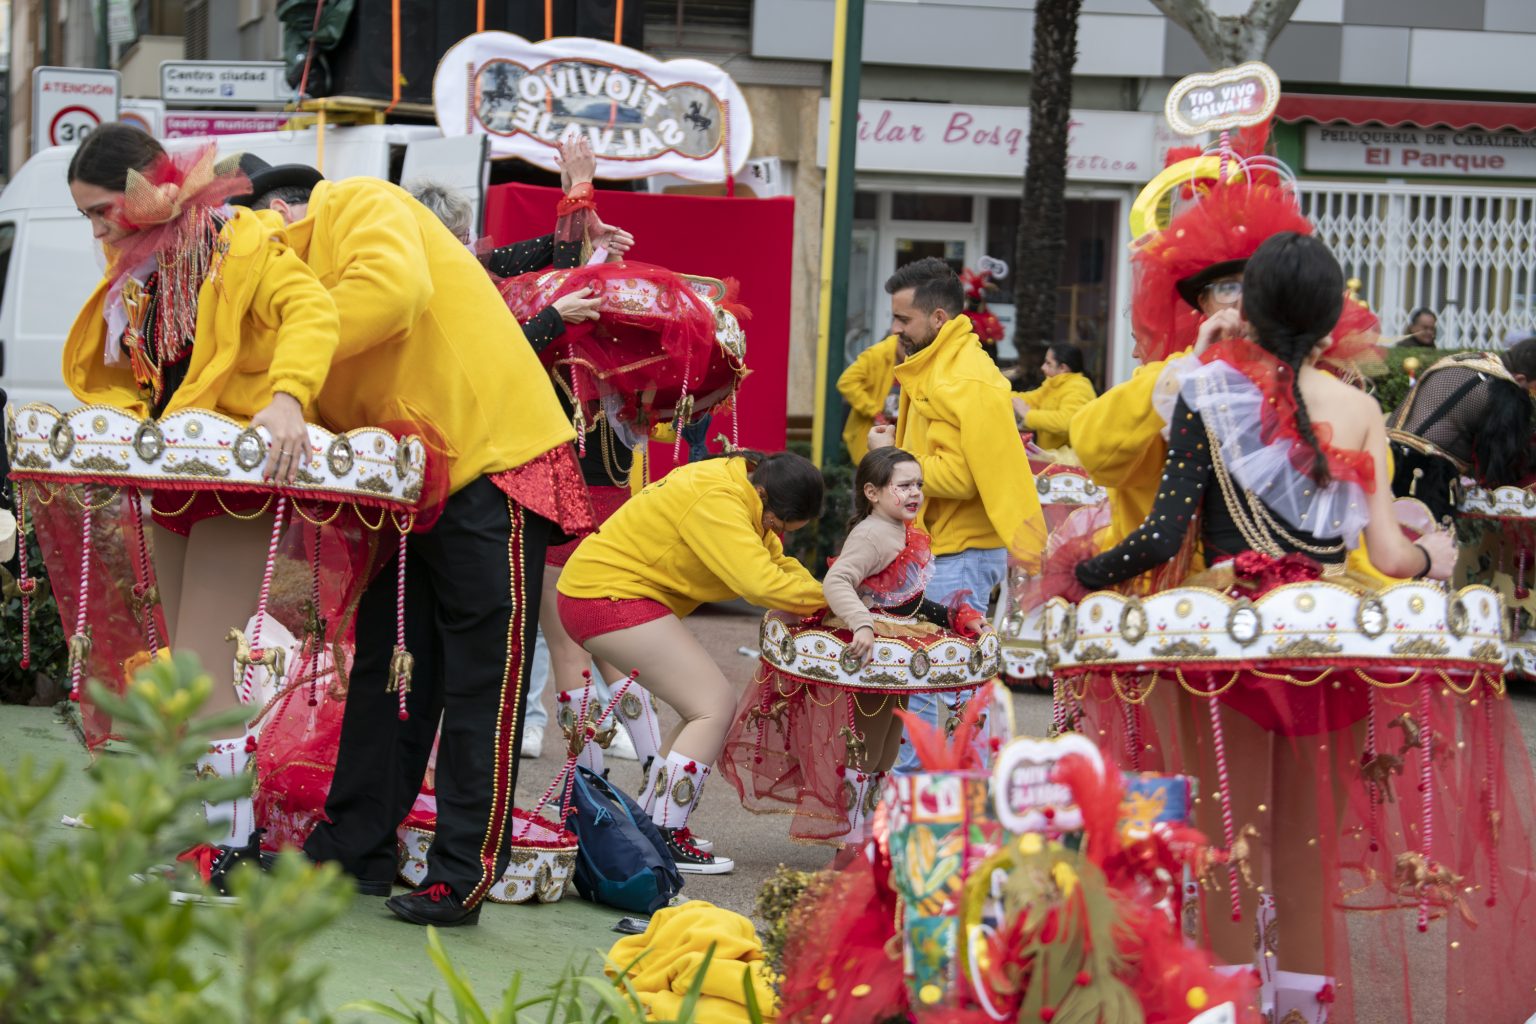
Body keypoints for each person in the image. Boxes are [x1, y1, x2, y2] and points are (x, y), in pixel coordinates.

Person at [1069, 233, 1509, 1019]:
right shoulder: (1361, 406)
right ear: (1333, 317)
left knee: (1227, 833)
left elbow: (1164, 534)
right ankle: (1302, 1005)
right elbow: (1384, 552)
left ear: (1253, 309)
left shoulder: (1206, 389)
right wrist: (1435, 556)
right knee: (1306, 846)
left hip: (1222, 641)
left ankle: (1224, 1003)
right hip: (1325, 645)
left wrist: (1083, 578)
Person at [237, 160, 596, 927]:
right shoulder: (283, 297)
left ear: (278, 216)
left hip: (490, 462)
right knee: (389, 671)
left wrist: (285, 380)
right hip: (408, 482)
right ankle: (355, 847)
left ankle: (460, 874)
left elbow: (394, 296)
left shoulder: (361, 203)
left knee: (479, 680)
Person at [62, 126, 339, 890]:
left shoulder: (235, 237)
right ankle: (198, 830)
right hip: (178, 474)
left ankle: (228, 850)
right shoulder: (143, 269)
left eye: (100, 211)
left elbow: (312, 310)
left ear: (143, 194)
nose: (96, 230)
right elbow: (144, 378)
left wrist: (287, 398)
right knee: (180, 672)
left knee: (203, 671)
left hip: (236, 476)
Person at [557, 451, 828, 873]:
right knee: (713, 705)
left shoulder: (744, 494)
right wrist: (832, 601)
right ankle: (666, 833)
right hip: (605, 596)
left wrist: (829, 597)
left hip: (608, 593)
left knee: (701, 705)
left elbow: (776, 562)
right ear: (763, 495)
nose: (776, 533)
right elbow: (758, 582)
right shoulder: (718, 499)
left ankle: (651, 825)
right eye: (776, 523)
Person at [720, 447, 989, 845]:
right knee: (866, 748)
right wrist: (861, 623)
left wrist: (956, 617)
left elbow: (905, 598)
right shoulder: (872, 534)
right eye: (903, 485)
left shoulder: (901, 529)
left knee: (884, 752)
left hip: (895, 643)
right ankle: (855, 839)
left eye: (918, 484)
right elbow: (837, 581)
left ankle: (868, 832)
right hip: (872, 647)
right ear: (872, 492)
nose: (914, 493)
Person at [867, 257, 1045, 774]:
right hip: (944, 548)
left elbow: (965, 476)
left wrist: (894, 465)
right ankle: (951, 809)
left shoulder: (964, 376)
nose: (895, 330)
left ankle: (918, 811)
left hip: (959, 552)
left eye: (904, 320)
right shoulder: (942, 365)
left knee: (935, 682)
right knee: (947, 684)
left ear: (938, 318)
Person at [1385, 339, 1536, 524]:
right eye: (1532, 390)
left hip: (1385, 455)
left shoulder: (1469, 360)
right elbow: (1502, 460)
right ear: (1520, 379)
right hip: (1426, 473)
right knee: (1427, 543)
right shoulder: (1504, 388)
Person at [1011, 343, 1097, 451]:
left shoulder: (1079, 388)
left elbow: (1065, 421)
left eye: (1048, 363)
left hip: (1069, 463)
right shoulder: (1054, 383)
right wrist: (999, 394)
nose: (1042, 367)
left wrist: (1028, 415)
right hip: (1052, 456)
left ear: (1062, 368)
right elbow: (1031, 399)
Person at [836, 335, 900, 465]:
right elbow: (846, 382)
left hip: (902, 441)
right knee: (868, 476)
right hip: (873, 436)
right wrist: (873, 411)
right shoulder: (879, 353)